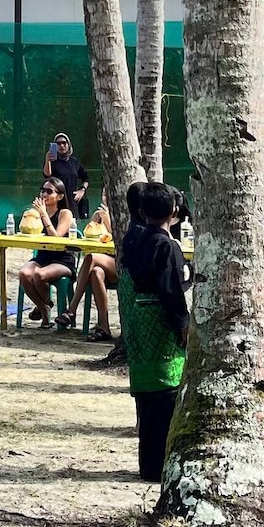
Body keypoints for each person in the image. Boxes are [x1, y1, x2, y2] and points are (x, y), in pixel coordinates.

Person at [121, 180, 189, 481]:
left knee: (147, 397)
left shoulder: (134, 239)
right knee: (165, 393)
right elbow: (170, 289)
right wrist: (182, 323)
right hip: (160, 325)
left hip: (138, 322)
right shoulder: (166, 245)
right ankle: (159, 465)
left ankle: (147, 464)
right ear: (174, 210)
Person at [16, 176, 77, 325]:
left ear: (60, 196)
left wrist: (43, 214)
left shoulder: (65, 213)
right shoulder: (36, 213)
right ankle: (44, 307)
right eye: (42, 190)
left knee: (38, 275)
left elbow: (56, 238)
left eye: (49, 191)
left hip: (62, 259)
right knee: (24, 273)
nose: (44, 194)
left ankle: (43, 310)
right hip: (43, 257)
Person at [57, 193, 116, 340]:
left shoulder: (124, 214)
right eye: (104, 193)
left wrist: (109, 224)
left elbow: (122, 243)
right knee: (96, 272)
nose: (106, 197)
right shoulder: (98, 215)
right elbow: (89, 240)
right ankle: (104, 328)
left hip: (120, 264)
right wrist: (97, 221)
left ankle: (72, 309)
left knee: (91, 258)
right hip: (102, 263)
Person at [44, 133, 87, 220]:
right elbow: (47, 175)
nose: (61, 145)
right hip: (56, 204)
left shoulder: (74, 162)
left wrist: (82, 190)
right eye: (58, 143)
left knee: (72, 227)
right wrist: (47, 160)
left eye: (64, 143)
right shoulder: (52, 161)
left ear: (68, 144)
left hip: (72, 204)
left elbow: (86, 178)